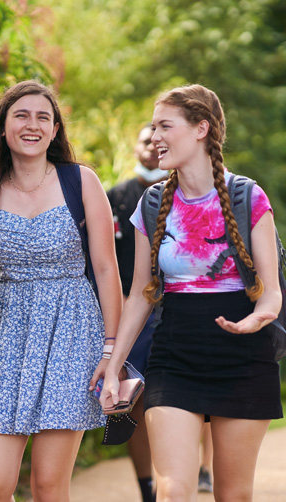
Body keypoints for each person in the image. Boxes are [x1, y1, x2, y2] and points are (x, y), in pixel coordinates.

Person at [101, 84, 283, 501]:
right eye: (153, 127)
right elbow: (140, 296)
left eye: (165, 125)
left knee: (232, 495)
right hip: (174, 357)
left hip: (244, 356)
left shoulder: (248, 198)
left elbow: (271, 292)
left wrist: (258, 317)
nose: (155, 136)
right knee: (173, 492)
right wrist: (114, 363)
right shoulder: (150, 204)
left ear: (201, 128)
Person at [0, 80, 123, 502]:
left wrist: (110, 352)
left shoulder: (80, 182)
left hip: (70, 335)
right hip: (6, 336)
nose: (32, 125)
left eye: (43, 117)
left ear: (55, 129)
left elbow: (105, 270)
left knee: (49, 487)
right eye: (21, 116)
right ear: (3, 127)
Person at [106, 124, 168, 502]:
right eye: (144, 140)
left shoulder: (191, 193)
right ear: (135, 148)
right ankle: (148, 488)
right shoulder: (116, 197)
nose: (150, 146)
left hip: (179, 311)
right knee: (135, 405)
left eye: (156, 139)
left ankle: (189, 474)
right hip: (134, 313)